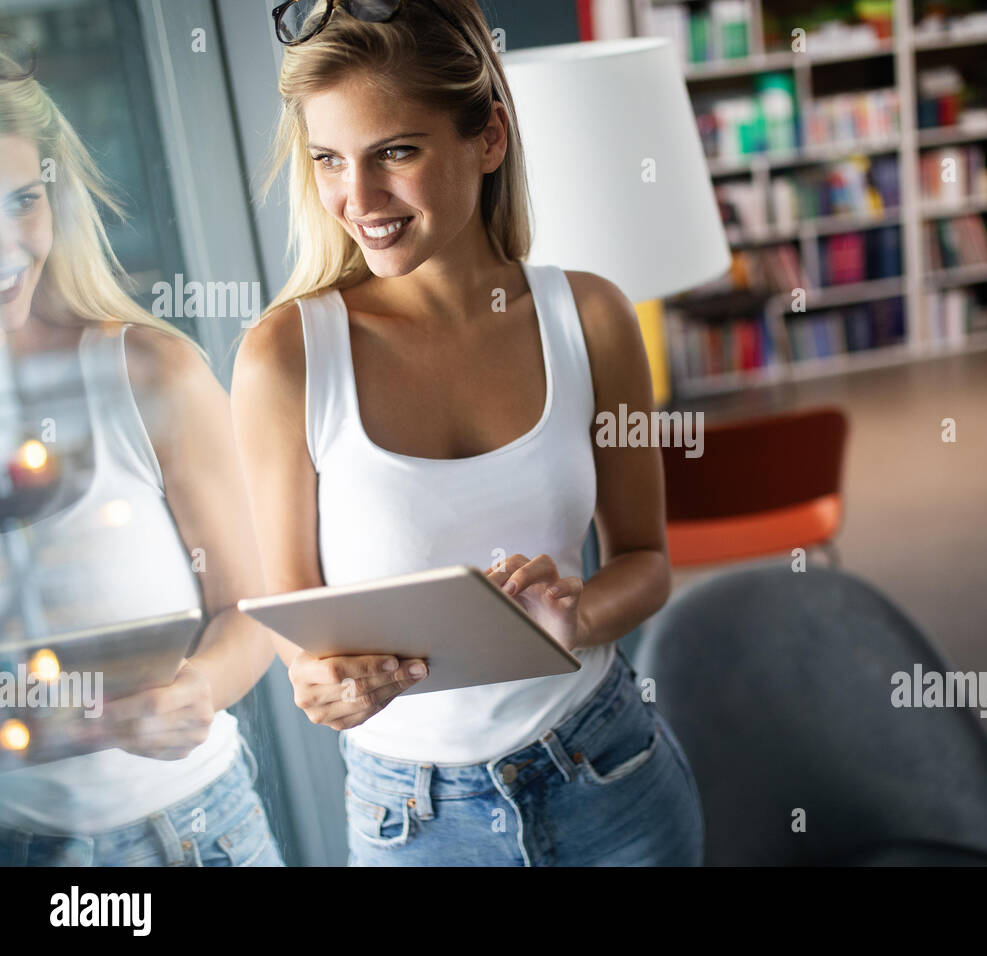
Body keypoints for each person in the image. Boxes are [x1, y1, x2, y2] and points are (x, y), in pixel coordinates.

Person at [232, 0, 704, 865]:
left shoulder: (592, 318)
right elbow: (292, 617)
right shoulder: (284, 358)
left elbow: (646, 561)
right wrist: (317, 680)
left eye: (396, 152)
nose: (358, 199)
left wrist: (578, 612)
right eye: (330, 159)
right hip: (411, 818)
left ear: (488, 138)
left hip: (608, 769)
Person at [0, 50, 282, 866]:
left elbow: (252, 607)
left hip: (192, 834)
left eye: (23, 200)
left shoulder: (150, 371)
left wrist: (196, 691)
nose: (8, 245)